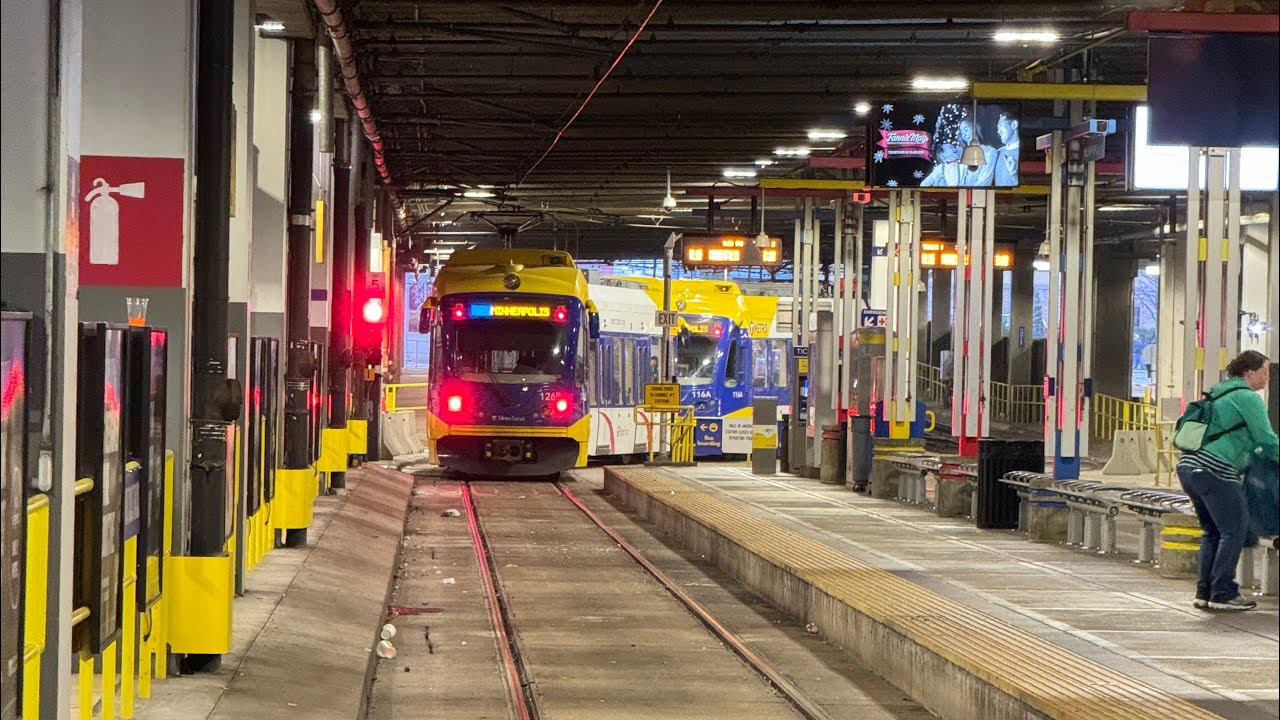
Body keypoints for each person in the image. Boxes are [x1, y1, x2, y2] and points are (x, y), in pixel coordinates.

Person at [1176, 350, 1278, 611]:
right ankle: (1223, 592)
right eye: (1264, 372)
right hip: (1214, 470)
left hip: (1189, 467)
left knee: (1213, 531)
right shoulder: (1247, 397)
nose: (1267, 378)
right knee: (1235, 530)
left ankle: (1205, 591)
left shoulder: (1219, 392)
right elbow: (1266, 439)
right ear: (1249, 372)